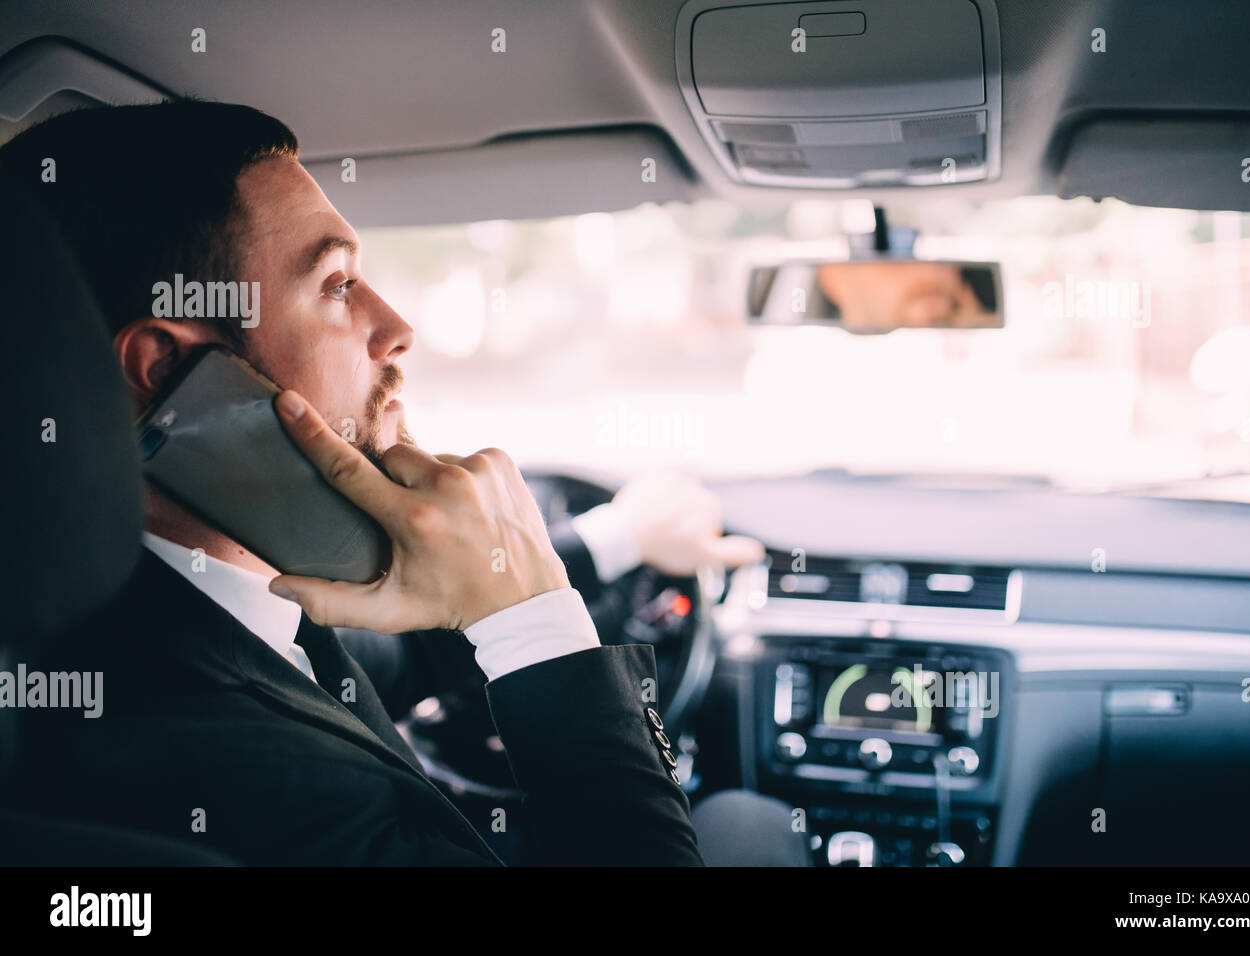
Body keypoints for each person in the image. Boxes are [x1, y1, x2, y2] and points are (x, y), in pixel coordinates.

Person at [0, 99, 763, 865]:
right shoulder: (231, 782)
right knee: (747, 827)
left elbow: (392, 658)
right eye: (335, 284)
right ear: (167, 369)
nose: (397, 326)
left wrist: (610, 538)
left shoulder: (169, 606)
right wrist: (532, 614)